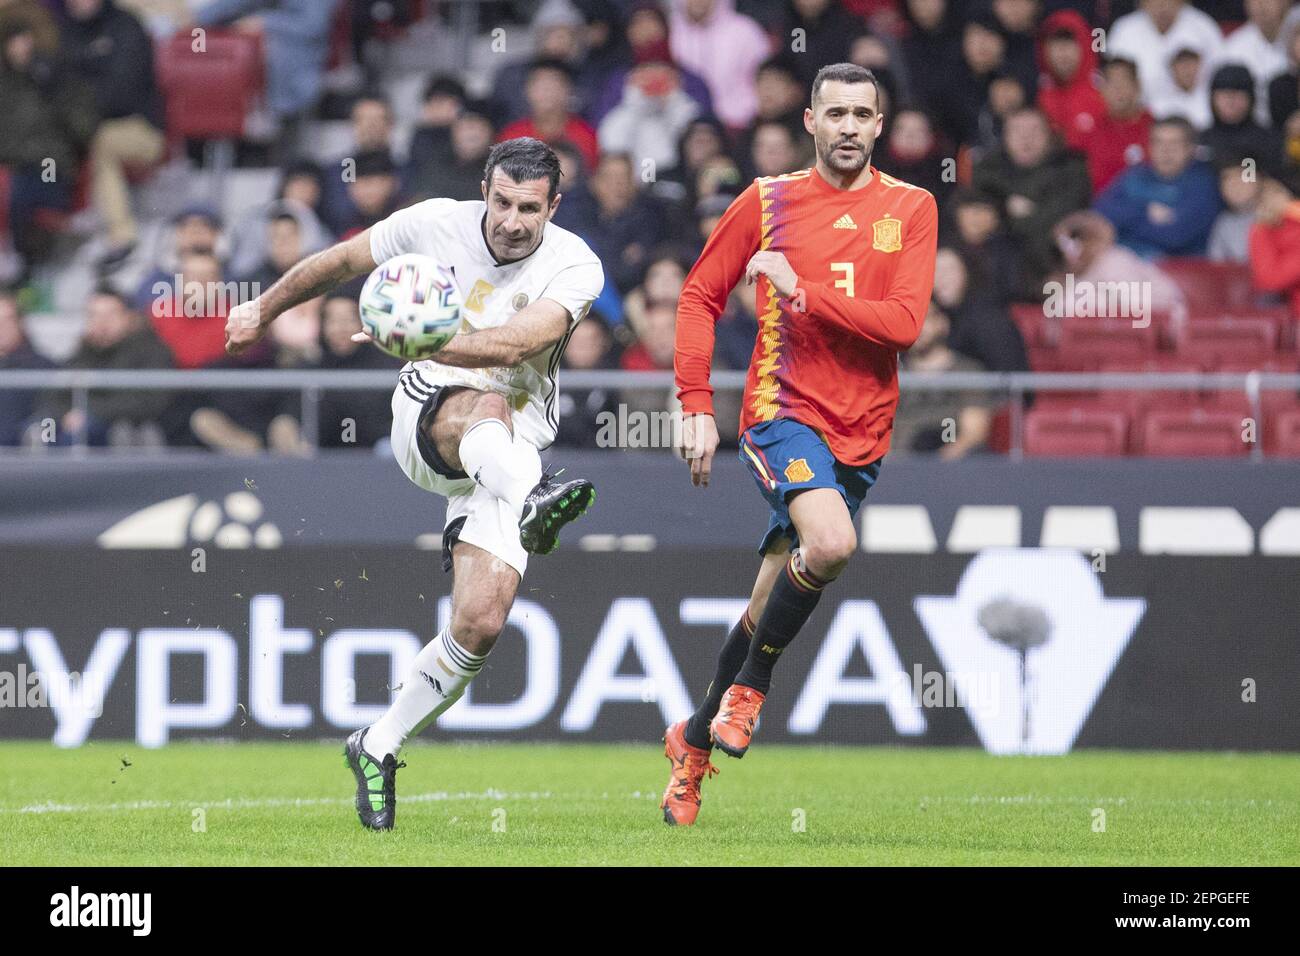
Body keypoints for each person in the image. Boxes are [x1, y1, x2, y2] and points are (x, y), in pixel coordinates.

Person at [223, 137, 605, 831]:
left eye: (529, 208)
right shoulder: (432, 222)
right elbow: (339, 262)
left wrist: (420, 334)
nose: (512, 220)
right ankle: (534, 499)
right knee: (483, 405)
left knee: (480, 623)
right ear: (484, 189)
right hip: (431, 414)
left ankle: (377, 743)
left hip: (511, 447)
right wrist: (263, 310)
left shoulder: (576, 264)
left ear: (553, 205)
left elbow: (518, 345)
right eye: (501, 201)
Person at [665, 63, 937, 825]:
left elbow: (905, 324)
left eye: (863, 114)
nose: (849, 126)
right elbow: (698, 296)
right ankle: (752, 691)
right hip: (781, 410)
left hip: (864, 428)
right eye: (836, 113)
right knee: (834, 541)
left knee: (768, 598)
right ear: (810, 122)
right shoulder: (768, 200)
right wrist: (693, 402)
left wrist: (806, 292)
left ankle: (691, 744)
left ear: (879, 126)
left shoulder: (911, 208)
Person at [1094, 116, 1222, 258]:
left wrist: (1123, 223)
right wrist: (1144, 211)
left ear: (1190, 148)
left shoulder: (1203, 183)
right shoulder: (1136, 174)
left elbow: (1174, 236)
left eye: (1174, 143)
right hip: (1125, 266)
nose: (1165, 151)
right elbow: (1099, 213)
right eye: (1158, 143)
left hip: (1176, 271)